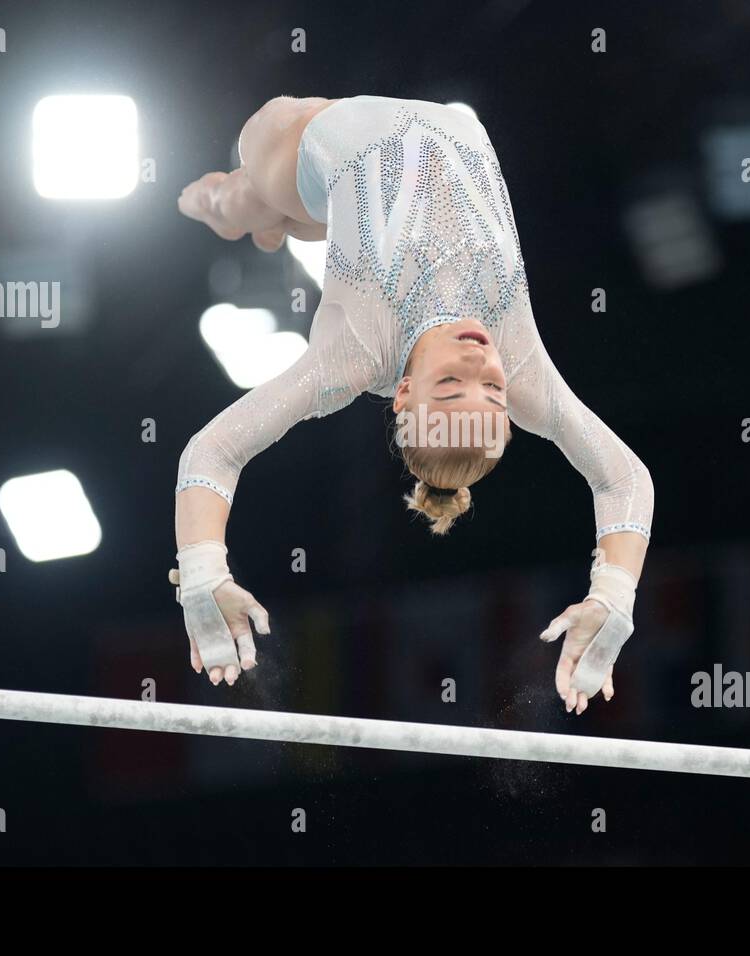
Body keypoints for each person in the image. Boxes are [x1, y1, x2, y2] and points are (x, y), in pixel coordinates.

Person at [171, 95, 652, 715]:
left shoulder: (355, 355)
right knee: (288, 221)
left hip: (304, 145)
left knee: (245, 198)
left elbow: (212, 450)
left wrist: (204, 575)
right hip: (423, 125)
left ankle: (222, 208)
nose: (480, 367)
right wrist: (613, 595)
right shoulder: (524, 364)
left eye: (451, 386)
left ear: (404, 392)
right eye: (493, 392)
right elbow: (623, 477)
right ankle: (275, 223)